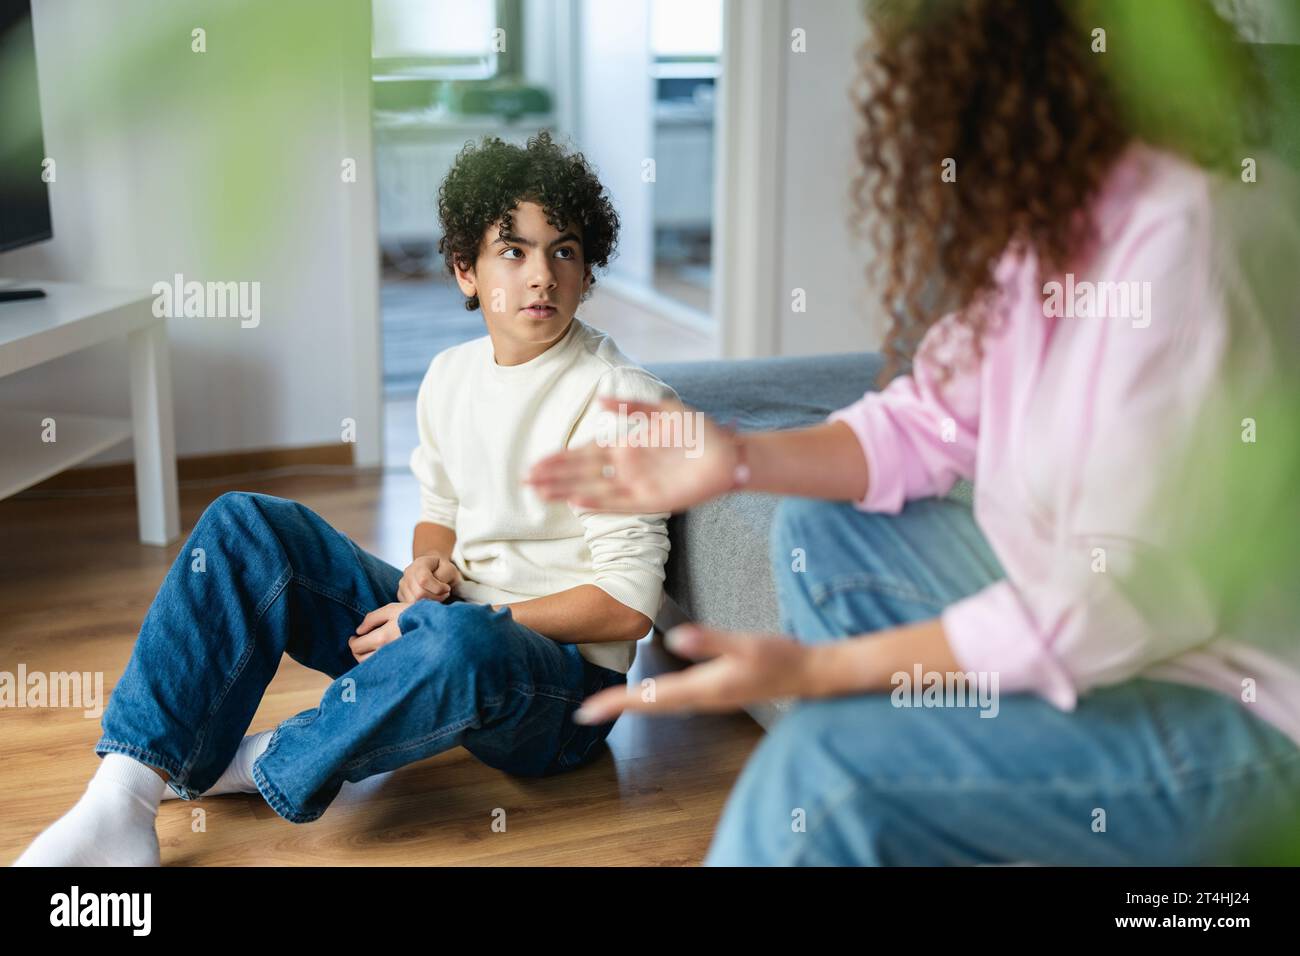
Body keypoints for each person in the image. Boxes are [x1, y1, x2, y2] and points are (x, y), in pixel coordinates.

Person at [527, 0, 1300, 865]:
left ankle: (888, 789)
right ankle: (939, 800)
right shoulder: (1058, 219)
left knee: (827, 771)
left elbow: (1125, 597)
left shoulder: (1189, 237)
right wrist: (737, 459)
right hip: (1124, 645)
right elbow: (929, 420)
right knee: (829, 528)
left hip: (1245, 721)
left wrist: (819, 674)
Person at [14, 131, 673, 866]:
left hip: (560, 698)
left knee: (462, 640)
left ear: (586, 272)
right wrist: (430, 569)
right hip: (448, 627)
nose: (542, 275)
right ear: (465, 270)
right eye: (513, 251)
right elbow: (442, 515)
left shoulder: (624, 402)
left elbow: (626, 603)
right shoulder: (452, 376)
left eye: (565, 251)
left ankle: (257, 764)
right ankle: (123, 798)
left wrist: (451, 619)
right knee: (245, 525)